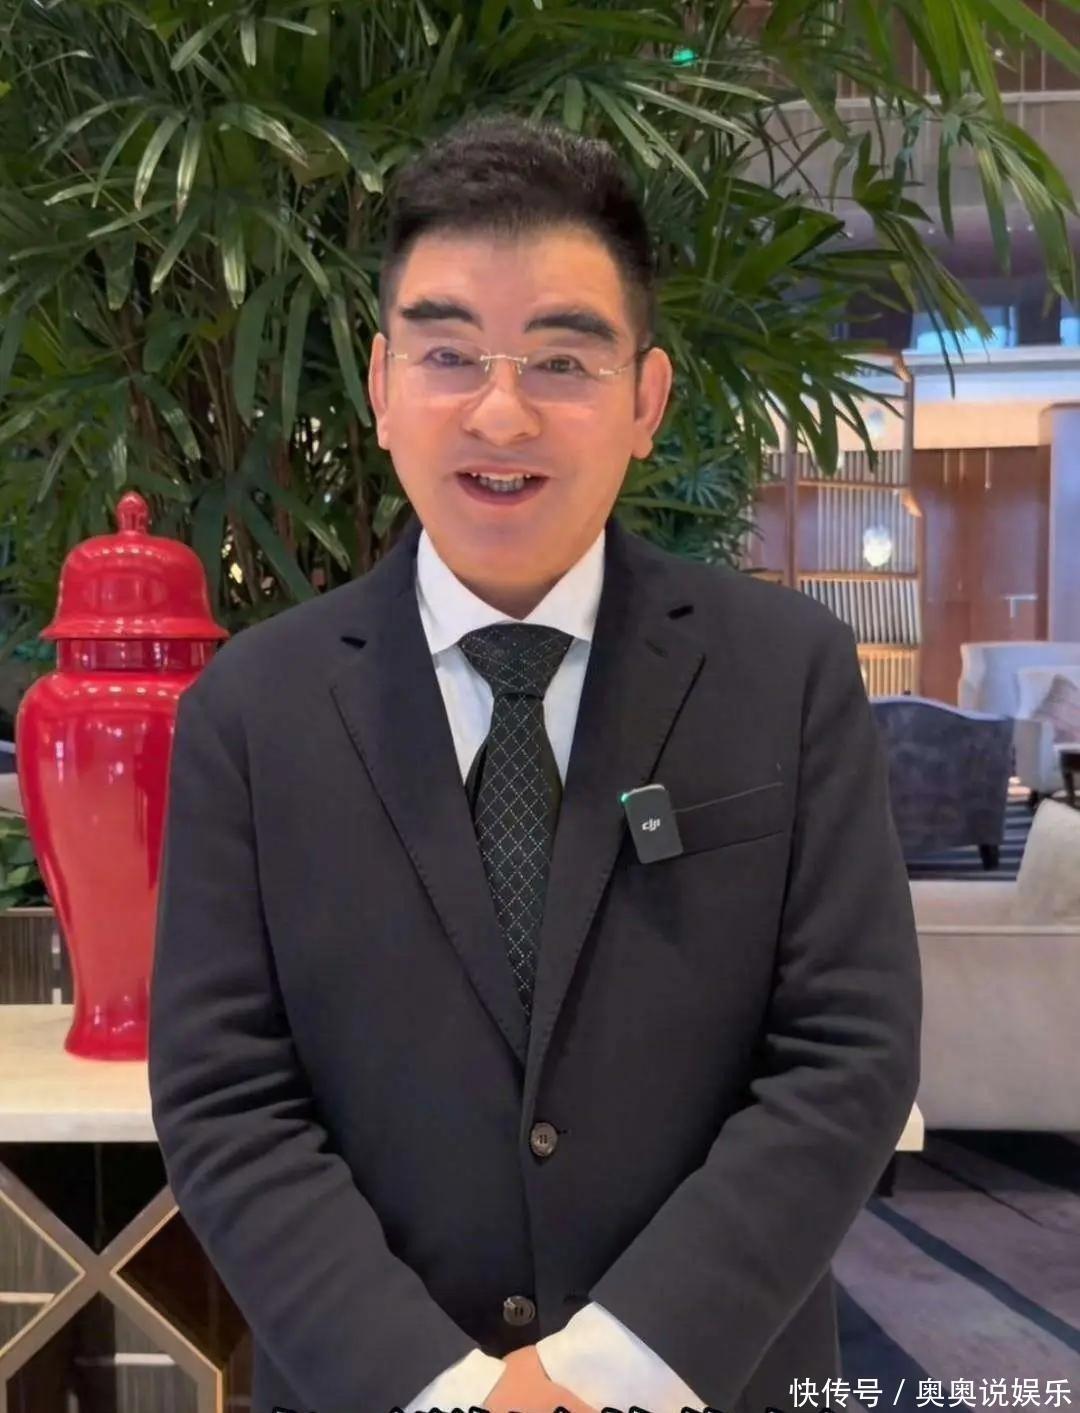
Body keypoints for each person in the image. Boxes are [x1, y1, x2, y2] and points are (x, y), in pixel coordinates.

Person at [148, 113, 922, 1413]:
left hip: (706, 1380)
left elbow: (849, 1050)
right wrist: (448, 1392)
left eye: (562, 359)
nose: (499, 410)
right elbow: (226, 1096)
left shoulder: (786, 675)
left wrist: (605, 1373)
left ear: (645, 400)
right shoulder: (251, 710)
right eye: (449, 353)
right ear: (382, 385)